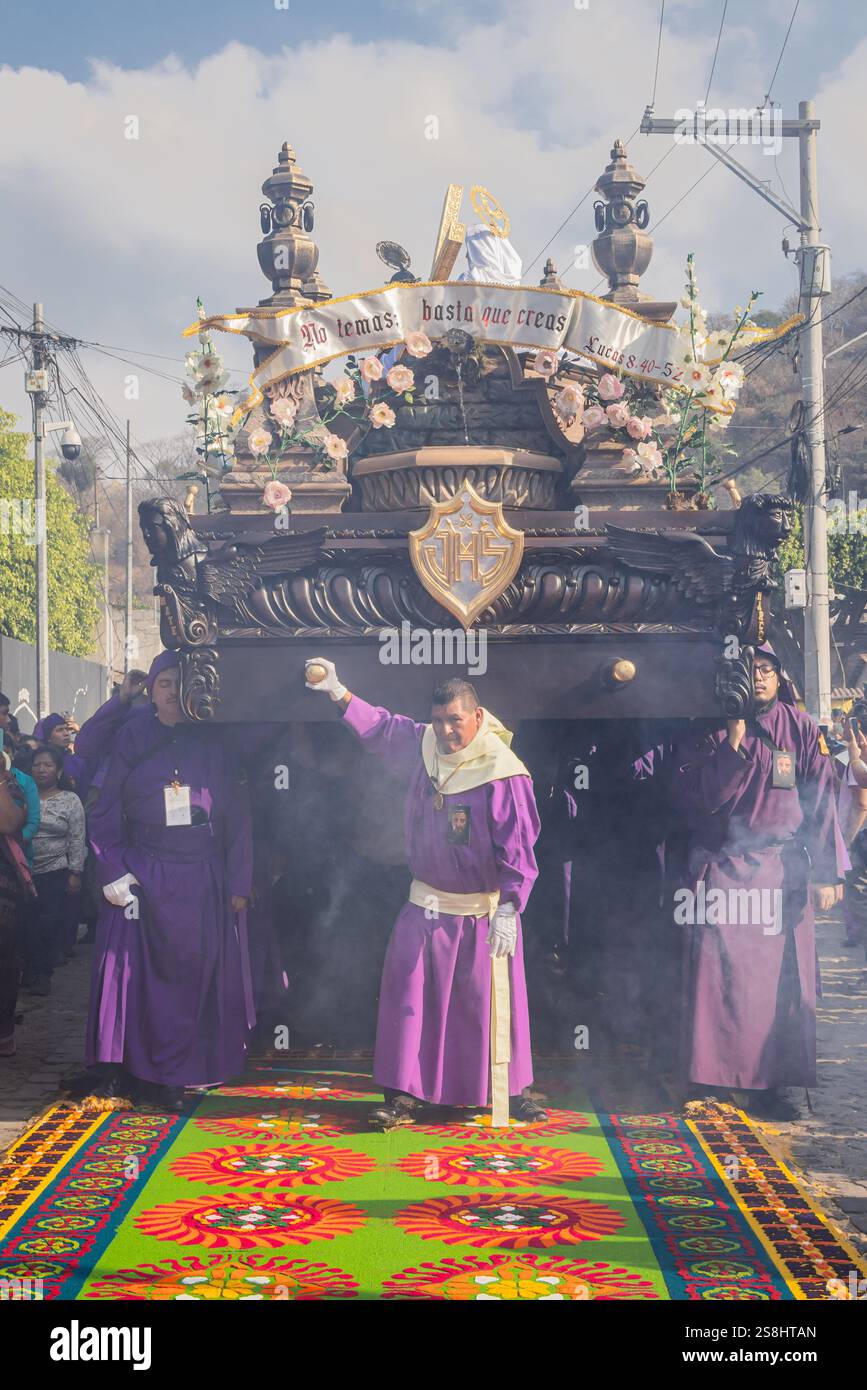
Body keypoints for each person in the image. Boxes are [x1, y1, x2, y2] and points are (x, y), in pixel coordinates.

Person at [305, 659, 545, 1128]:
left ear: (477, 717)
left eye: (455, 720)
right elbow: (382, 728)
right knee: (411, 1000)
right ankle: (404, 1095)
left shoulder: (503, 772)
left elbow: (518, 846)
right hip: (425, 906)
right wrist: (338, 692)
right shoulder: (425, 746)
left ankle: (510, 1089)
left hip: (480, 913)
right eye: (438, 721)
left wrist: (510, 907)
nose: (446, 731)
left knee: (484, 1007)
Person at [674, 645, 844, 1120]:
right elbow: (700, 801)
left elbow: (822, 799)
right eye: (750, 671)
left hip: (781, 870)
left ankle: (772, 1085)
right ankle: (712, 1082)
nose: (760, 678)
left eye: (766, 669)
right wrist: (734, 739)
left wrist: (827, 872)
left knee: (780, 986)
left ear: (778, 675)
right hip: (723, 868)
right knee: (720, 980)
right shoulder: (707, 731)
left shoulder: (800, 727)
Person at [84, 652, 254, 1109]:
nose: (174, 693)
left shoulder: (218, 737)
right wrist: (112, 870)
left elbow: (239, 816)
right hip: (144, 870)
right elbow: (103, 806)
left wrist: (239, 881)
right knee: (129, 973)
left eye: (182, 683)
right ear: (151, 690)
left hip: (202, 873)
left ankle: (178, 1073)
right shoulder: (131, 734)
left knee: (191, 976)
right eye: (164, 683)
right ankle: (125, 1069)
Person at [25, 745, 86, 995]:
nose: (41, 769)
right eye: (37, 765)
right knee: (25, 923)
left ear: (59, 771)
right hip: (23, 870)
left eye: (48, 765)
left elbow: (77, 837)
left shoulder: (70, 800)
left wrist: (75, 872)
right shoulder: (22, 795)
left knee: (48, 924)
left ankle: (43, 974)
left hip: (55, 870)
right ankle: (27, 971)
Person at [0, 758, 34, 1057]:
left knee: (5, 961)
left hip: (3, 888)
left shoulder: (11, 785)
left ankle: (3, 1031)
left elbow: (10, 823)